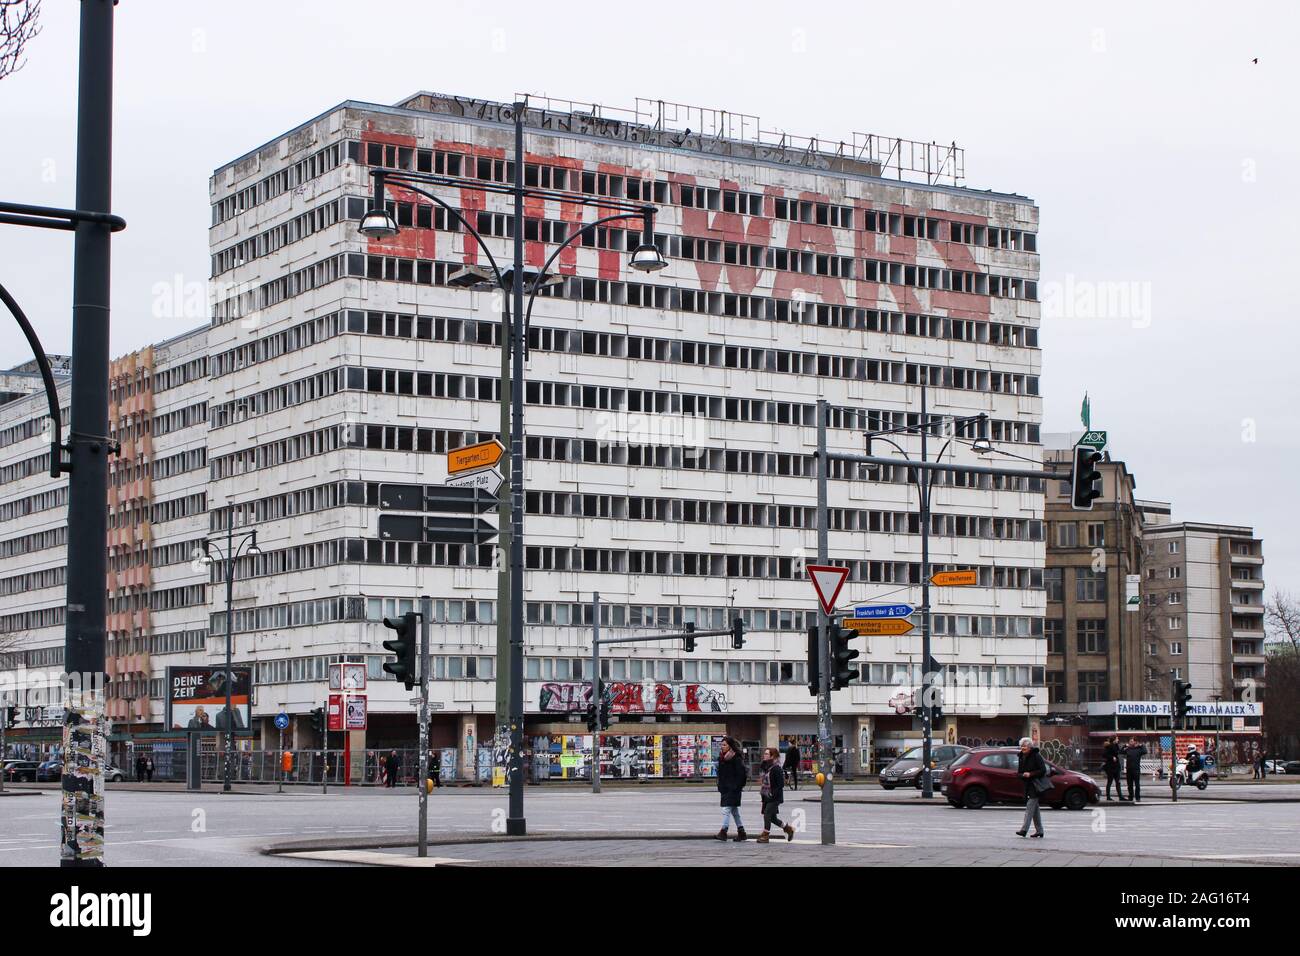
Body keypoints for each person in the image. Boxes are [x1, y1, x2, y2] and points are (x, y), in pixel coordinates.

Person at [757, 748, 795, 843]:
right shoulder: (765, 766)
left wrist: (772, 794)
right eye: (764, 753)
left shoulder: (776, 768)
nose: (764, 755)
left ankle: (765, 835)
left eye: (766, 754)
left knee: (767, 814)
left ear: (772, 756)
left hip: (774, 797)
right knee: (772, 818)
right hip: (766, 795)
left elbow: (780, 784)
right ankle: (788, 829)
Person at [714, 736, 747, 842]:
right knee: (734, 811)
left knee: (726, 809)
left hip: (733, 788)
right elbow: (721, 774)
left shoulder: (736, 758)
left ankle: (723, 831)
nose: (722, 747)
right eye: (721, 745)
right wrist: (720, 785)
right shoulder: (722, 758)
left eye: (724, 745)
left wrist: (737, 786)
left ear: (730, 746)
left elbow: (741, 774)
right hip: (725, 788)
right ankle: (741, 832)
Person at [1015, 736, 1047, 838]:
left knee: (1030, 807)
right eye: (1021, 746)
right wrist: (1022, 775)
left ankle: (1024, 830)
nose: (1022, 748)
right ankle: (1040, 831)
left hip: (1036, 785)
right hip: (1027, 785)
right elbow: (1019, 773)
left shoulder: (1036, 756)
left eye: (1024, 746)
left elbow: (1043, 770)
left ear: (1029, 747)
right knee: (1035, 810)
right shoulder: (1021, 756)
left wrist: (1030, 774)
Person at [1123, 737, 1146, 802]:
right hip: (1129, 769)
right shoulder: (1128, 749)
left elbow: (1145, 751)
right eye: (1130, 741)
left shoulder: (1139, 749)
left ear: (1135, 742)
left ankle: (1137, 797)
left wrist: (1141, 745)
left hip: (1136, 769)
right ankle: (1130, 796)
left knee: (1137, 785)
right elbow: (1121, 751)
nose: (1130, 742)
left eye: (1132, 741)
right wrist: (1125, 745)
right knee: (1129, 785)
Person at [1102, 736, 1124, 801]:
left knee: (1118, 782)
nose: (1118, 740)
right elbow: (1104, 755)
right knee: (1110, 781)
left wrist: (1124, 746)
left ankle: (1120, 796)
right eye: (1117, 739)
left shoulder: (1116, 745)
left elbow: (1119, 752)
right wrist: (1112, 757)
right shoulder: (1109, 746)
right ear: (1114, 740)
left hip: (1116, 767)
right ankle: (1108, 797)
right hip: (1110, 767)